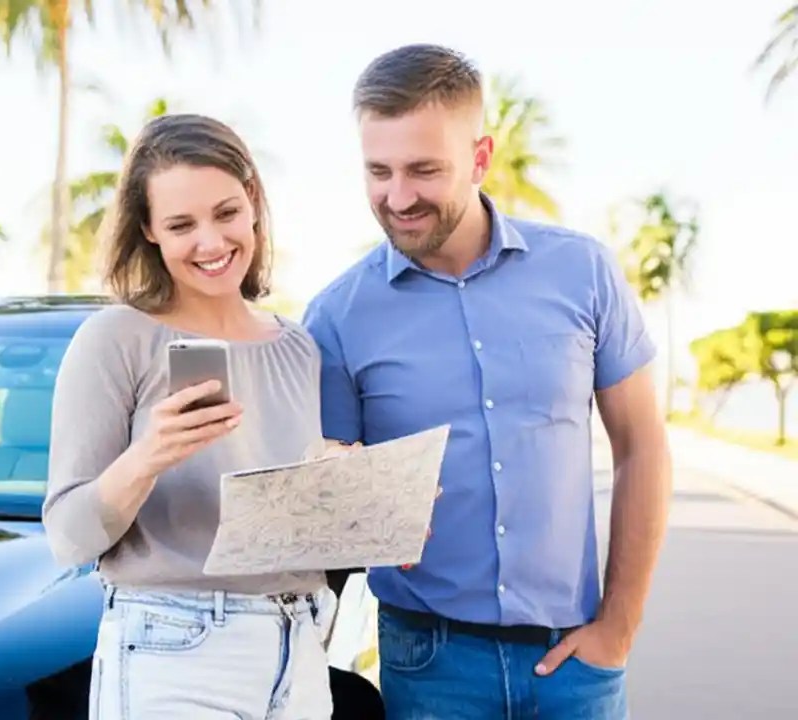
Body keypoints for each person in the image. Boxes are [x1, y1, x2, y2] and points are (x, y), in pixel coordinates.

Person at [302, 44, 673, 719]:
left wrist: (619, 626)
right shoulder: (335, 317)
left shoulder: (583, 272)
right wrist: (364, 509)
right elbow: (329, 503)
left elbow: (641, 446)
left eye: (423, 170)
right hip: (428, 665)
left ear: (479, 158)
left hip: (576, 665)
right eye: (379, 171)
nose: (398, 197)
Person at [42, 113, 340, 719]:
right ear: (148, 230)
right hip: (174, 648)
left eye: (226, 213)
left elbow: (296, 528)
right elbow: (70, 537)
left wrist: (353, 490)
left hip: (301, 649)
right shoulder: (116, 339)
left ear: (252, 202)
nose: (211, 242)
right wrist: (149, 456)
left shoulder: (299, 347)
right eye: (181, 225)